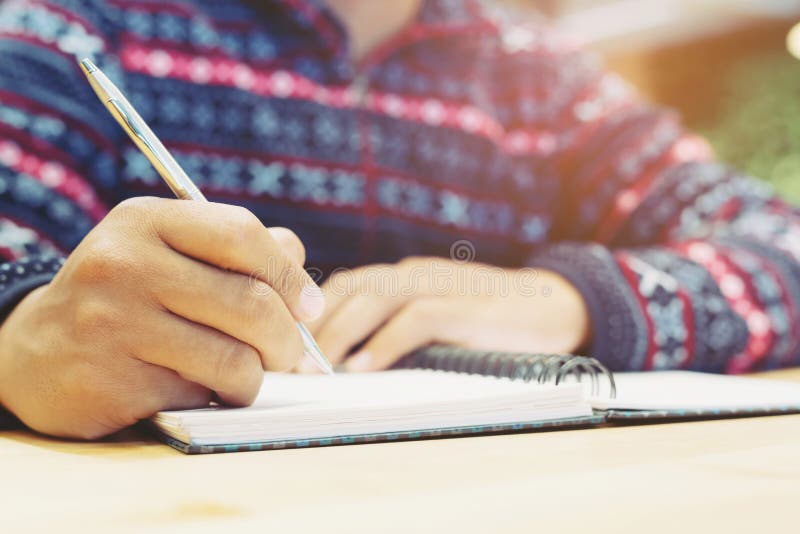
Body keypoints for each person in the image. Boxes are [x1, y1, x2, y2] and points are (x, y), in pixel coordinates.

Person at [0, 0, 797, 440]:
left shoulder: (539, 81)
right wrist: (20, 331)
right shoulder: (80, 25)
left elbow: (783, 244)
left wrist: (572, 300)